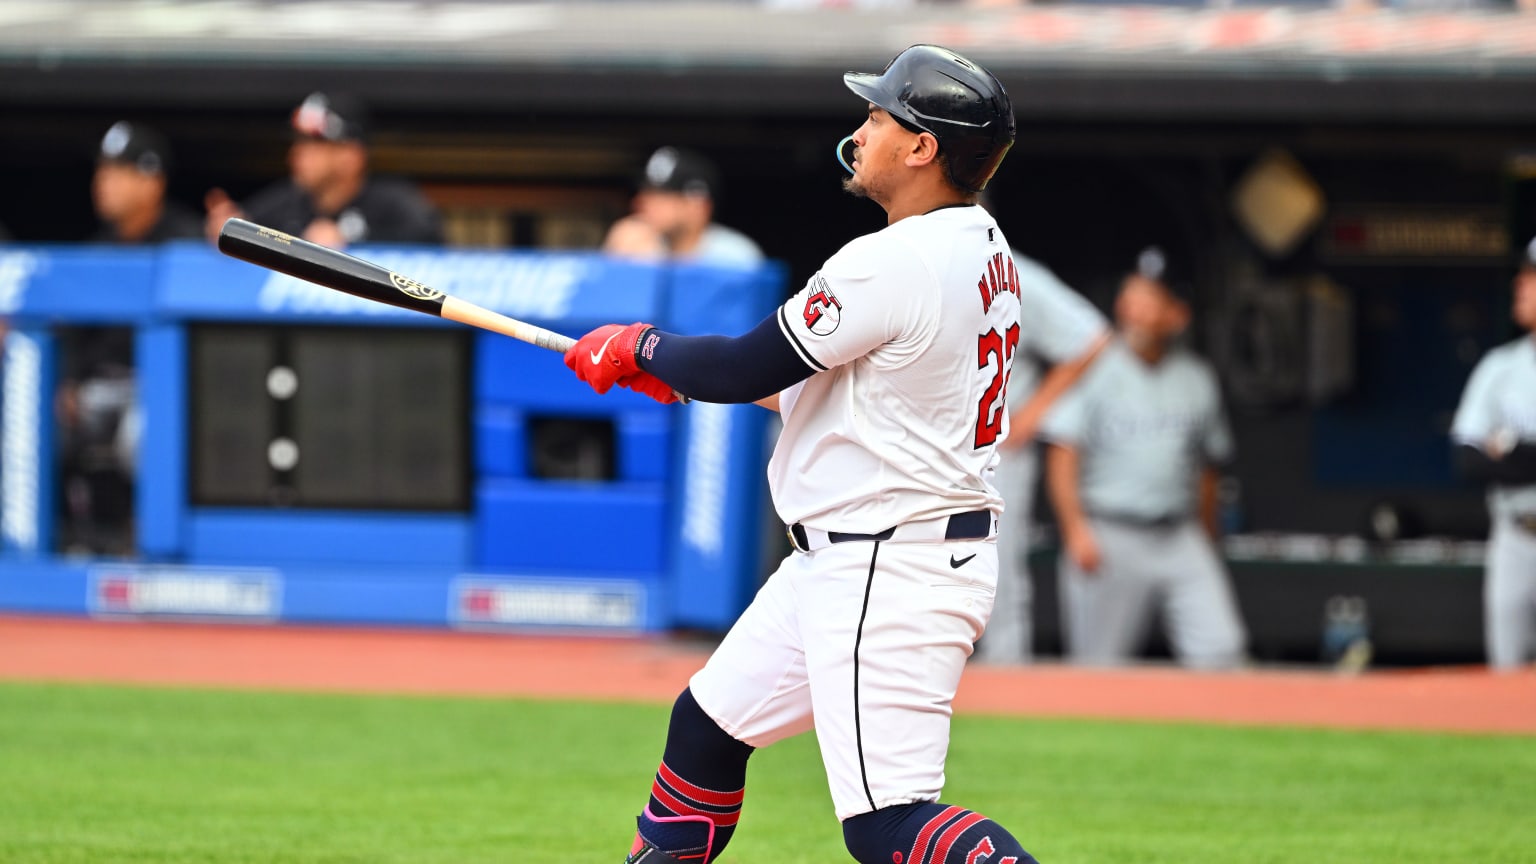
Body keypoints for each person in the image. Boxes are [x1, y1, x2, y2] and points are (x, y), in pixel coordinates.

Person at [562, 45, 1040, 864]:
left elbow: (750, 361)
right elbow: (841, 394)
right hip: (859, 556)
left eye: (879, 118)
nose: (863, 130)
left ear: (923, 147)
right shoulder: (980, 242)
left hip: (886, 561)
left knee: (888, 822)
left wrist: (644, 345)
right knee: (706, 728)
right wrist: (677, 379)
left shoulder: (895, 260)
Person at [1039, 248, 1248, 670]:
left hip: (1177, 535)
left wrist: (1207, 539)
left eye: (1150, 300)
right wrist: (1076, 531)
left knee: (1223, 650)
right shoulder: (1092, 367)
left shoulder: (1197, 378)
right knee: (1098, 668)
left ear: (1176, 316)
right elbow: (1062, 454)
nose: (1135, 309)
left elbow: (1207, 469)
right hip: (1110, 531)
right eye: (1131, 296)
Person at [973, 247, 1110, 665]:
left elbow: (1091, 335)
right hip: (926, 448)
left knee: (997, 580)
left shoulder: (1010, 271)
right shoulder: (908, 262)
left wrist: (1032, 413)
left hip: (993, 452)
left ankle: (1007, 696)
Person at [205, 91, 443, 248]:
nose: (298, 153)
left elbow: (432, 244)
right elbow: (246, 224)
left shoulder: (395, 203)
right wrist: (229, 227)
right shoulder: (285, 201)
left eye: (314, 144)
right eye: (298, 141)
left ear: (351, 156)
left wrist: (351, 241)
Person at [1451, 236, 1536, 671]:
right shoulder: (1499, 368)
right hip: (1516, 536)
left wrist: (1513, 449)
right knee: (1507, 677)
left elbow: (1502, 458)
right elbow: (1468, 459)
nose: (1521, 285)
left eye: (1533, 277)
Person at [602, 146, 764, 267]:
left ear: (698, 206)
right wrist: (618, 263)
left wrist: (659, 270)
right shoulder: (636, 246)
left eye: (662, 196)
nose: (642, 202)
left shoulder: (734, 257)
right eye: (646, 192)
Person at [91, 121, 203, 244]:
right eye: (102, 171)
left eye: (118, 172)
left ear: (151, 184)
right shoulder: (97, 250)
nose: (102, 182)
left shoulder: (193, 242)